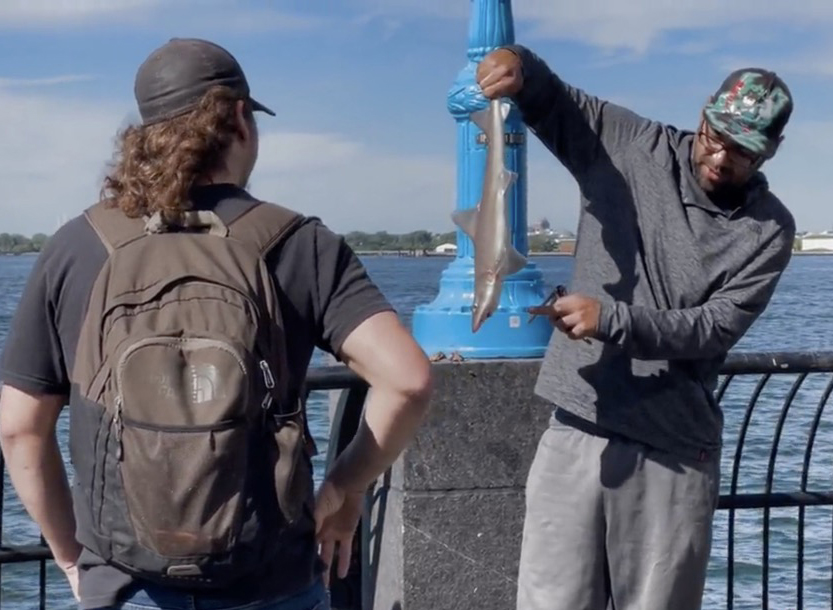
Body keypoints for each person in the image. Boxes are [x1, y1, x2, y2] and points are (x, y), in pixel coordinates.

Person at [0, 38, 432, 610]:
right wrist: (345, 488)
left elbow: (19, 429)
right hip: (272, 580)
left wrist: (71, 556)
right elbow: (408, 380)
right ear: (239, 120)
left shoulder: (78, 246)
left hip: (128, 584)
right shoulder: (298, 243)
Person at [476, 45, 795, 610]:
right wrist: (515, 63)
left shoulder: (768, 230)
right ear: (703, 116)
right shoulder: (631, 143)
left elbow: (714, 328)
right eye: (716, 136)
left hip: (674, 452)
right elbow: (554, 99)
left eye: (743, 151)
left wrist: (611, 320)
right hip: (577, 424)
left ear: (770, 153)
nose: (721, 157)